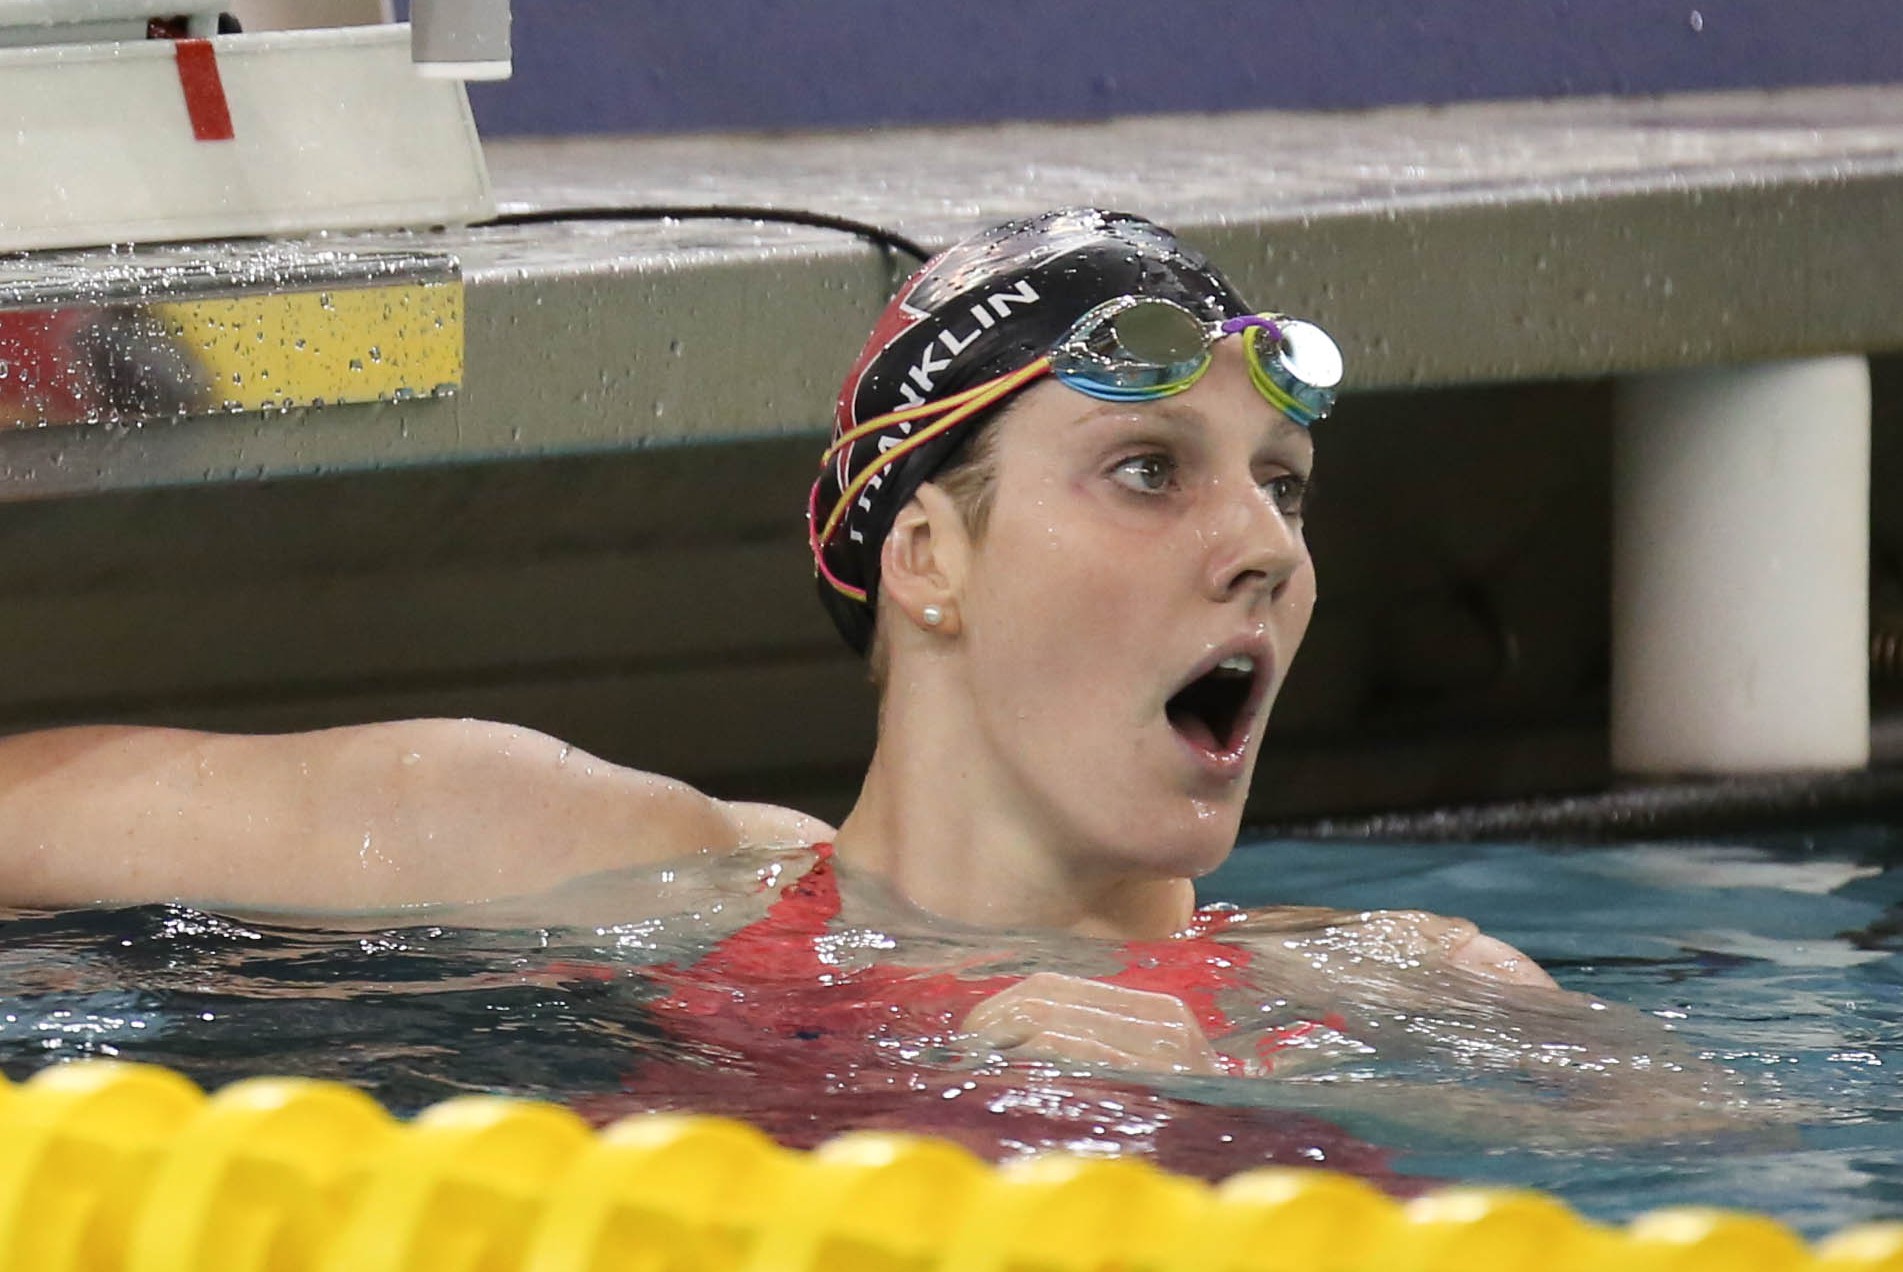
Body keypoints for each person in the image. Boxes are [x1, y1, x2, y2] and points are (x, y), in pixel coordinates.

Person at [0, 208, 1554, 1080]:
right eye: (1150, 470)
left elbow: (1735, 1173)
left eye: (1283, 489)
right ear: (931, 560)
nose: (1269, 549)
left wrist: (1236, 1100)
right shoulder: (574, 858)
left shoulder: (1409, 996)